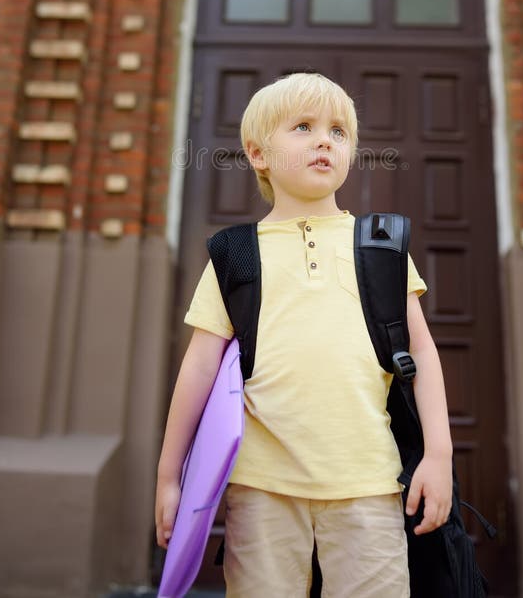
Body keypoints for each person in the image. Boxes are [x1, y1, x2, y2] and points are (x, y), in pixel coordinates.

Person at [155, 72, 453, 598]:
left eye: (339, 132)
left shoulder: (381, 247)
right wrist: (170, 474)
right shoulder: (236, 253)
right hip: (262, 488)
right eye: (303, 127)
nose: (325, 140)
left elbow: (422, 353)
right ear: (259, 154)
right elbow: (198, 369)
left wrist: (439, 456)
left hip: (369, 485)